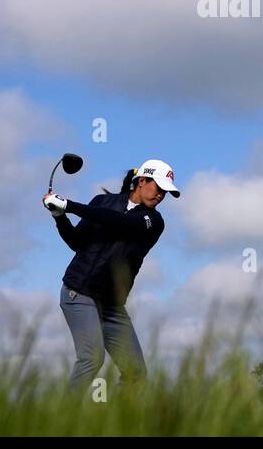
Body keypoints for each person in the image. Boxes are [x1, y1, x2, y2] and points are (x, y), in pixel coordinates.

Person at [43, 158, 179, 392]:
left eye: (165, 193)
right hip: (80, 292)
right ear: (142, 181)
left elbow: (122, 222)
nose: (160, 196)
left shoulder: (153, 221)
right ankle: (60, 421)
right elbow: (77, 242)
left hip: (112, 306)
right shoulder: (102, 203)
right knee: (92, 358)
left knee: (136, 373)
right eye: (158, 188)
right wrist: (60, 216)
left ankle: (113, 423)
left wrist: (69, 205)